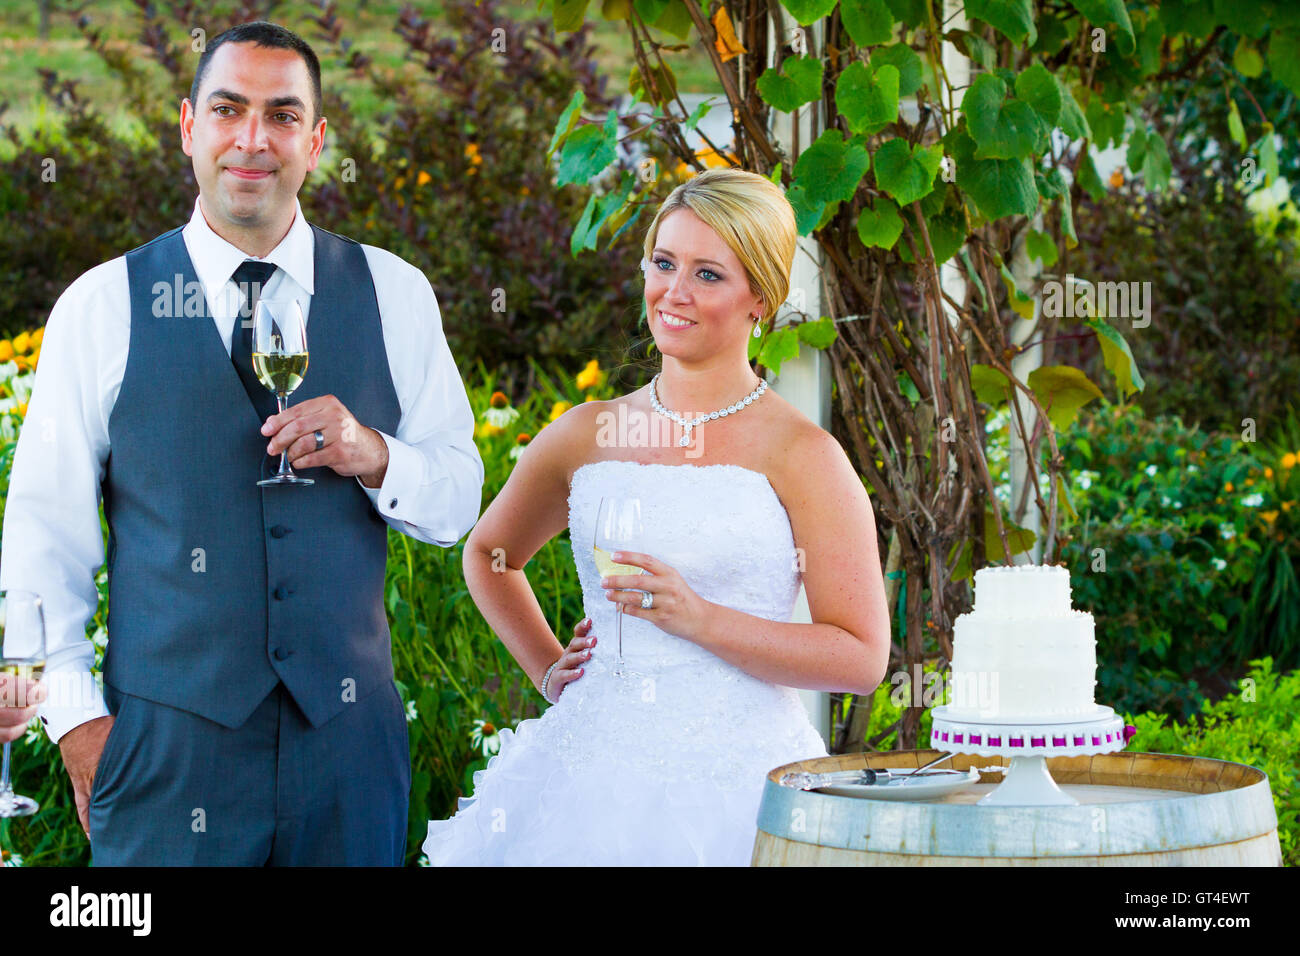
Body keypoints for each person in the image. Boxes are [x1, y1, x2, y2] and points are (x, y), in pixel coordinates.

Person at [0, 21, 484, 865]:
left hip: (350, 750)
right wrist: (77, 724)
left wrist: (375, 453)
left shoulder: (394, 293)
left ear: (315, 141)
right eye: (228, 110)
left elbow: (457, 501)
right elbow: (44, 545)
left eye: (283, 115)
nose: (253, 140)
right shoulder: (102, 306)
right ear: (190, 127)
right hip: (167, 751)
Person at [424, 167, 890, 865]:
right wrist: (549, 671)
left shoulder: (803, 454)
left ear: (761, 298)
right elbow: (490, 555)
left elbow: (860, 658)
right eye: (664, 263)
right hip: (586, 782)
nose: (674, 291)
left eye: (708, 274)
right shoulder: (585, 433)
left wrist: (700, 619)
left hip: (740, 788)